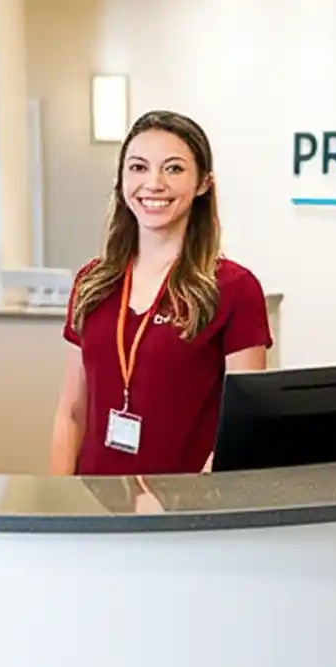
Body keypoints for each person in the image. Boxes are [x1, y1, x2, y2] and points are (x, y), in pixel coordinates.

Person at [50, 110, 273, 476]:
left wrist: (189, 510)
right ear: (121, 179)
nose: (153, 183)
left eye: (173, 169)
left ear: (203, 183)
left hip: (184, 513)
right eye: (138, 167)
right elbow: (71, 413)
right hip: (96, 507)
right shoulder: (92, 282)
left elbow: (241, 429)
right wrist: (62, 507)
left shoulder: (235, 288)